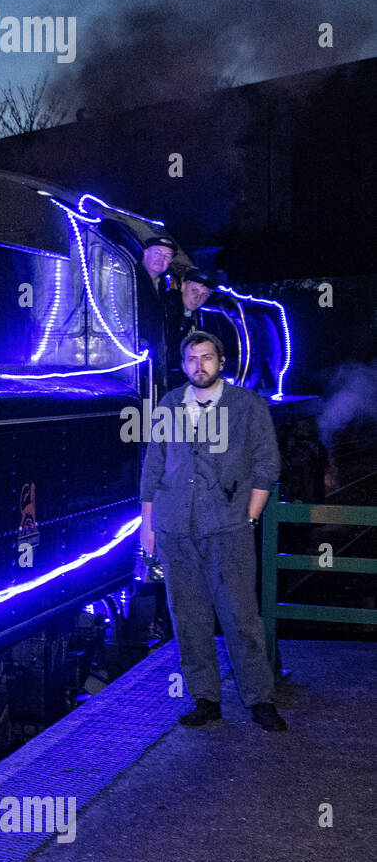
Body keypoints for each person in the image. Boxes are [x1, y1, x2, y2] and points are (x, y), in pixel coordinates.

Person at [139, 330, 288, 731]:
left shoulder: (247, 406)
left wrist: (250, 517)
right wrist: (147, 526)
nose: (199, 366)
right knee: (188, 619)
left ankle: (260, 699)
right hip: (175, 529)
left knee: (241, 618)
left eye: (206, 358)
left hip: (228, 529)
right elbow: (153, 466)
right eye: (192, 359)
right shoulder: (169, 405)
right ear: (183, 365)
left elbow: (267, 465)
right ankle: (205, 699)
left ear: (221, 362)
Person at [162, 265, 233, 392]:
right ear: (183, 286)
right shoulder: (167, 307)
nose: (197, 298)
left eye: (204, 295)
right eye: (194, 291)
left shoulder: (195, 315)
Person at [135, 233, 179, 389]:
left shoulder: (162, 286)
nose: (161, 259)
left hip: (153, 358)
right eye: (157, 253)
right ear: (145, 253)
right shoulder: (131, 277)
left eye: (167, 256)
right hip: (135, 357)